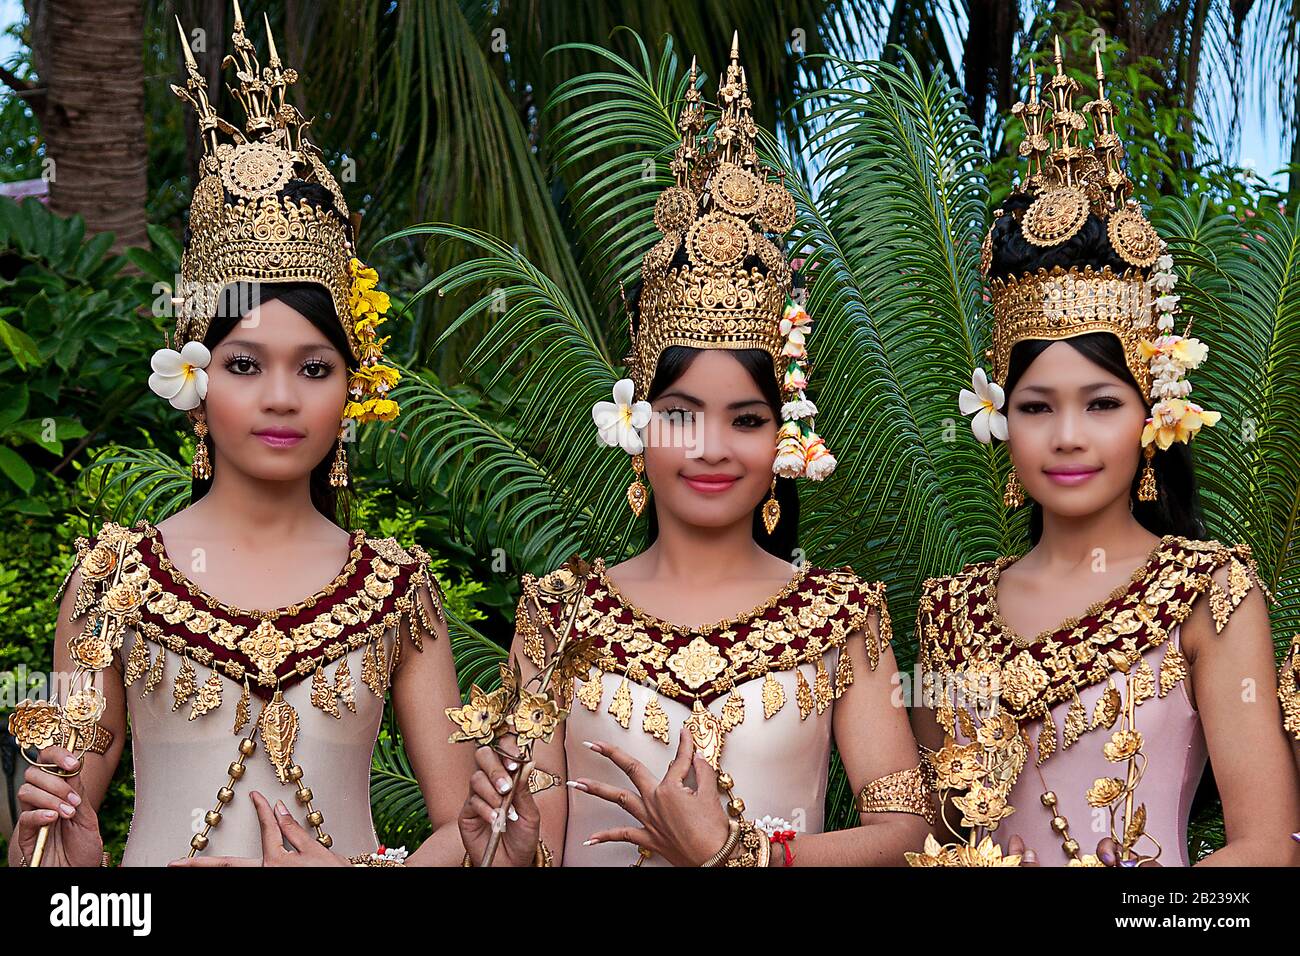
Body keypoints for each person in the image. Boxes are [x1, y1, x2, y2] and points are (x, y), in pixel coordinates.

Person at [6, 5, 474, 867]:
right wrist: (57, 840)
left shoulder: (401, 590)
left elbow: (473, 835)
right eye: (246, 365)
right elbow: (57, 867)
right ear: (195, 383)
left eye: (316, 368)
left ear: (351, 390)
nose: (282, 398)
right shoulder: (112, 581)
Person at [454, 36, 932, 867]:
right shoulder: (560, 615)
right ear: (640, 425)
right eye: (682, 416)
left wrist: (743, 854)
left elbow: (904, 831)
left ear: (785, 434)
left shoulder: (841, 618)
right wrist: (506, 846)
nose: (713, 449)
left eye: (746, 419)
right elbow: (539, 844)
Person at [908, 40, 1300, 867]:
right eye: (1037, 407)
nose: (1068, 436)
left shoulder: (1209, 595)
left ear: (1154, 411)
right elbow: (935, 843)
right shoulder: (948, 617)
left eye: (1102, 403)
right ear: (1001, 419)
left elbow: (1266, 848)